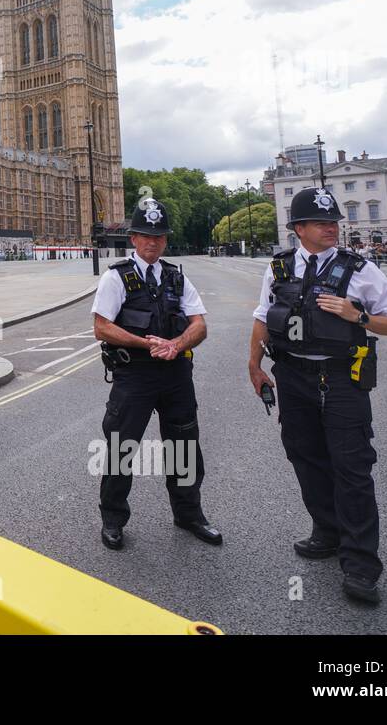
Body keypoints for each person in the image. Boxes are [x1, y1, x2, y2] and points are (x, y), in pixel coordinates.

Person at [247, 187, 387, 606]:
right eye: (321, 223)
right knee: (305, 456)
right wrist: (254, 366)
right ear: (299, 229)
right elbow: (263, 318)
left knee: (352, 467)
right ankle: (327, 530)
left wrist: (360, 316)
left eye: (334, 222)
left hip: (341, 379)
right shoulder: (279, 269)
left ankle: (360, 564)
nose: (331, 229)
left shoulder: (361, 270)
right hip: (292, 376)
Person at [91, 198, 218, 551]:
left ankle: (189, 514)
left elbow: (200, 325)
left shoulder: (177, 277)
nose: (153, 242)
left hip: (176, 373)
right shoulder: (116, 278)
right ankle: (113, 518)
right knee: (122, 447)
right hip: (135, 375)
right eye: (146, 236)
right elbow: (101, 328)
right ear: (133, 238)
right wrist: (147, 344)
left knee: (184, 447)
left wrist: (176, 345)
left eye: (159, 236)